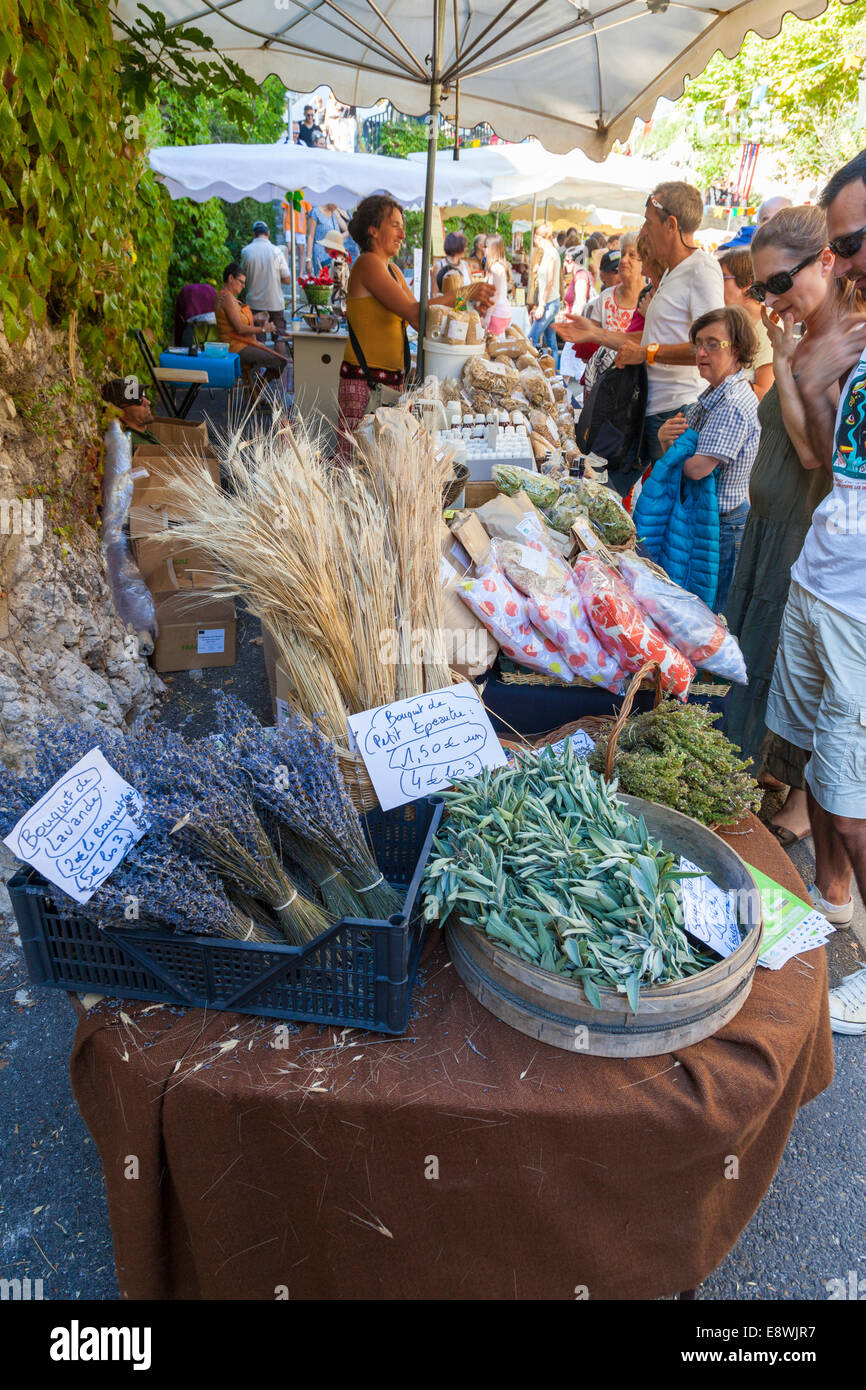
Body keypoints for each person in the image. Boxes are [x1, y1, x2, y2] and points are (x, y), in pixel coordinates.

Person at [762, 153, 866, 1037]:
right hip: (821, 578)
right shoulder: (844, 337)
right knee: (812, 766)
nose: (847, 260)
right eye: (840, 243)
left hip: (858, 606)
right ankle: (832, 896)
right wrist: (805, 377)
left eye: (853, 242)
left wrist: (810, 379)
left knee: (849, 791)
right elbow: (836, 465)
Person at [723, 207, 838, 846]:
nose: (771, 299)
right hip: (768, 526)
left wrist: (789, 360)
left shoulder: (834, 345)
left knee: (791, 664)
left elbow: (811, 450)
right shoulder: (802, 336)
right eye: (762, 287)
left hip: (799, 531)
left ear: (826, 262)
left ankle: (797, 801)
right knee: (762, 655)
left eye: (779, 283)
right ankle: (767, 771)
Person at [557, 182, 725, 462]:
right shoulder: (674, 273)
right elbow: (648, 341)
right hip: (649, 408)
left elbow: (712, 348)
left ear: (671, 225)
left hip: (675, 412)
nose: (644, 232)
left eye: (648, 223)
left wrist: (646, 353)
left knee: (661, 498)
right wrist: (595, 333)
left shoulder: (702, 269)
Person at [337, 196, 493, 457]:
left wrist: (464, 309)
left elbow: (420, 319)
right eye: (395, 225)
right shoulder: (367, 263)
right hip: (364, 383)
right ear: (372, 230)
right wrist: (465, 292)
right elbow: (414, 313)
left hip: (387, 385)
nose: (402, 233)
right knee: (358, 463)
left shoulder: (394, 271)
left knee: (380, 464)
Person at [656, 306, 760, 610]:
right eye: (698, 344)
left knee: (712, 614)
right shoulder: (716, 395)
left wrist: (668, 445)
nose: (701, 352)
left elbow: (696, 469)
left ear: (737, 348)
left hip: (724, 527)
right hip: (710, 521)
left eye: (712, 343)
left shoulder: (733, 403)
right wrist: (669, 443)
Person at [214, 262, 288, 395]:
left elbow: (234, 320)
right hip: (235, 348)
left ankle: (255, 392)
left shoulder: (224, 296)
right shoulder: (227, 298)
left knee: (280, 360)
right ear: (231, 278)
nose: (243, 286)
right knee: (280, 361)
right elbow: (240, 329)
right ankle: (256, 392)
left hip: (237, 345)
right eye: (241, 282)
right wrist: (263, 329)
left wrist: (254, 318)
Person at [717, 247, 774, 399]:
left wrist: (722, 378)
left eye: (722, 278)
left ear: (747, 283)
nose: (716, 283)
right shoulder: (729, 323)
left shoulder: (768, 325)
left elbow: (764, 393)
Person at [240, 220, 291, 347]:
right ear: (268, 233)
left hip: (254, 303)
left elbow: (242, 278)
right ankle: (279, 367)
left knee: (258, 339)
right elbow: (287, 280)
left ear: (254, 234)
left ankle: (258, 367)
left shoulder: (246, 252)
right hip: (275, 303)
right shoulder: (277, 251)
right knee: (279, 338)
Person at [529, 222, 561, 356]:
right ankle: (552, 373)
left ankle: (539, 370)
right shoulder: (549, 253)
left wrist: (541, 305)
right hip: (551, 301)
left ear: (539, 238)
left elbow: (550, 281)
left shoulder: (550, 254)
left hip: (549, 302)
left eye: (535, 239)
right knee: (551, 343)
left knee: (530, 339)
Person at [101, 380, 163, 446]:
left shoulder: (144, 434)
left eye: (145, 396)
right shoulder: (131, 444)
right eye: (139, 400)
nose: (148, 402)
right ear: (119, 411)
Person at [306, 204, 349, 276]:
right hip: (321, 255)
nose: (337, 207)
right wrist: (308, 259)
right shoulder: (315, 212)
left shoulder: (334, 213)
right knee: (324, 282)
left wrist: (336, 238)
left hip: (335, 256)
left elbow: (347, 230)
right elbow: (310, 236)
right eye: (336, 204)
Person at [483, 233, 511, 336]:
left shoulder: (496, 268)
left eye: (486, 247)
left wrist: (488, 316)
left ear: (492, 248)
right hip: (500, 312)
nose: (483, 249)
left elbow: (496, 294)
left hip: (497, 313)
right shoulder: (497, 266)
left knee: (492, 348)